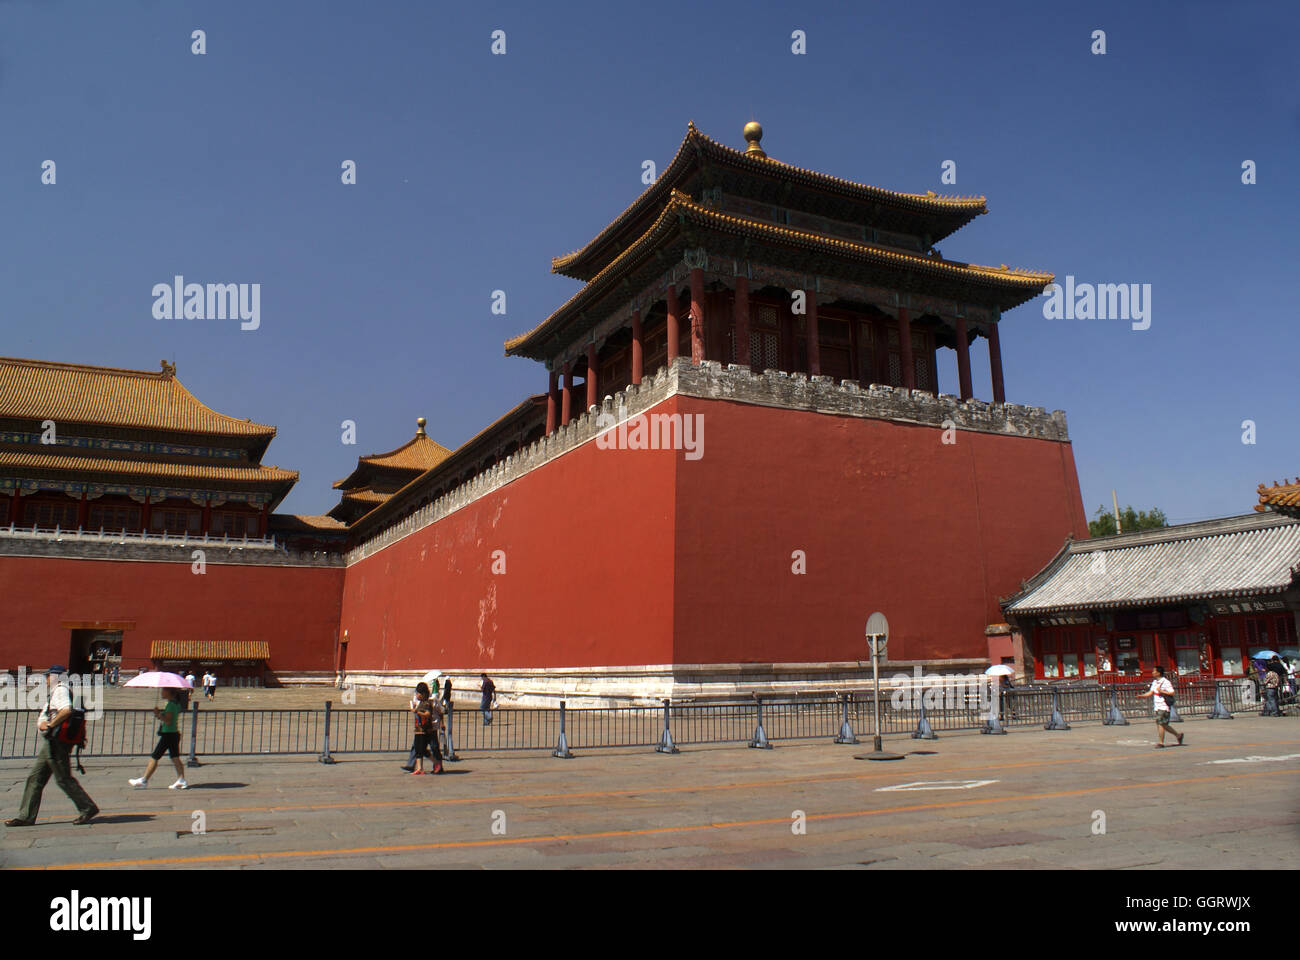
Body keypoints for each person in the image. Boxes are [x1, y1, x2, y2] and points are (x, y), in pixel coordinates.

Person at [5, 665, 98, 826]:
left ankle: (87, 807)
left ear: (55, 676)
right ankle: (26, 816)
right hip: (51, 742)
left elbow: (66, 710)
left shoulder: (61, 690)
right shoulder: (58, 690)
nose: (46, 679)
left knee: (63, 778)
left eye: (48, 676)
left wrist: (49, 725)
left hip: (56, 742)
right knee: (35, 777)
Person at [129, 688, 188, 789]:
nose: (161, 693)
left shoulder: (170, 705)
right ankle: (181, 780)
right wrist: (160, 714)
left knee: (155, 757)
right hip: (173, 733)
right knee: (175, 757)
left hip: (168, 734)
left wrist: (158, 714)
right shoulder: (175, 704)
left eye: (163, 691)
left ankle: (144, 780)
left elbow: (168, 721)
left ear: (169, 692)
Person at [1137, 665, 1183, 748]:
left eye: (1154, 671)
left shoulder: (1166, 682)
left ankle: (1161, 742)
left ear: (1158, 673)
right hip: (1157, 706)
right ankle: (1177, 735)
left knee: (1160, 723)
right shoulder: (1155, 682)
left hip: (1164, 706)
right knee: (1162, 724)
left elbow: (1172, 693)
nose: (1152, 673)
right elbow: (1151, 692)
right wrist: (1142, 696)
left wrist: (1161, 691)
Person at [402, 682, 434, 773]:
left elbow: (428, 714)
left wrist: (417, 712)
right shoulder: (421, 703)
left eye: (418, 693)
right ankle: (420, 768)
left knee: (422, 749)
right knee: (418, 748)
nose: (416, 695)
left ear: (423, 694)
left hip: (424, 729)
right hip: (418, 729)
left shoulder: (427, 703)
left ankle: (435, 762)